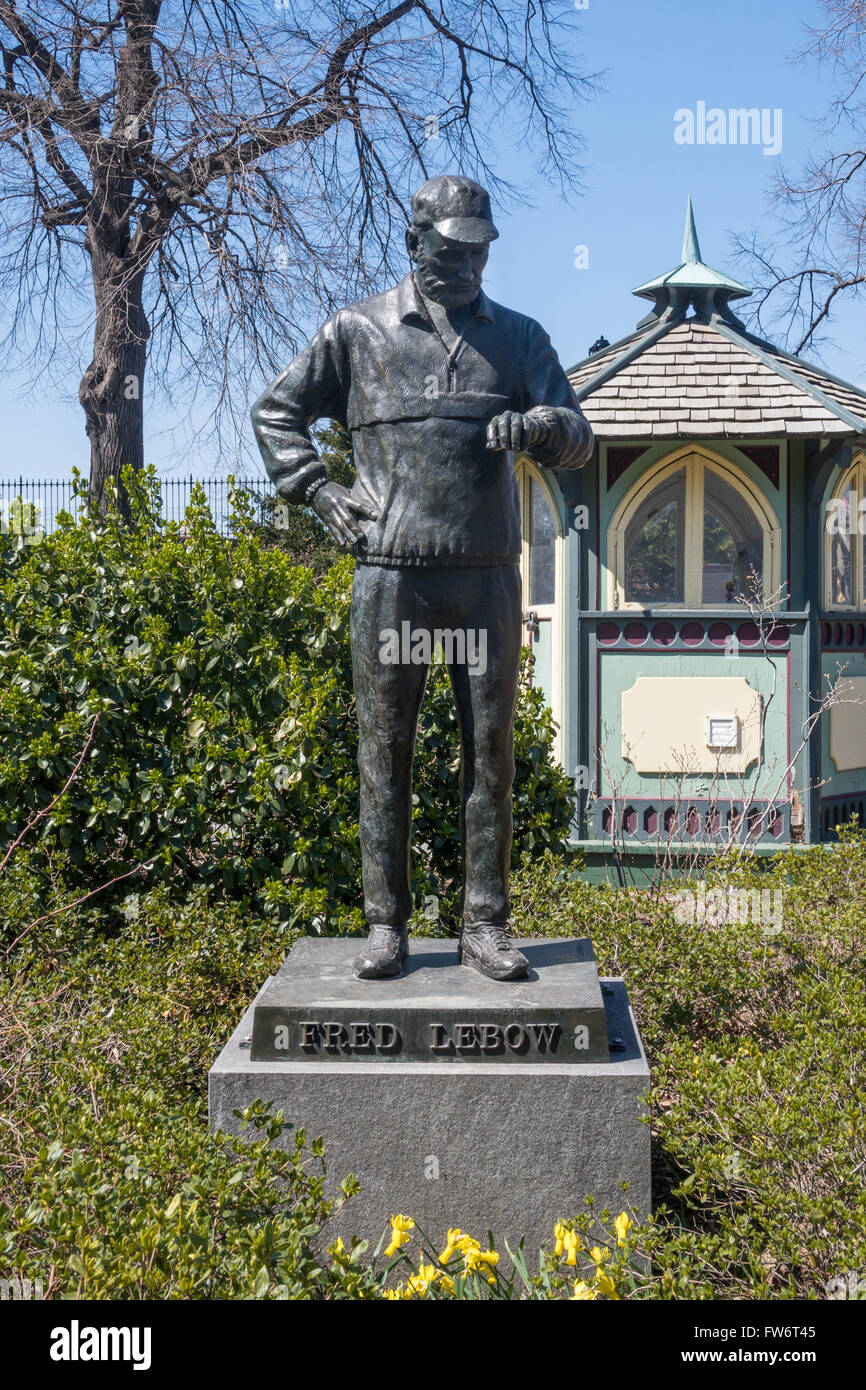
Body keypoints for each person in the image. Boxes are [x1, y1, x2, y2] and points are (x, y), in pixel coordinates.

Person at [252, 174, 592, 981]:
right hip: (390, 576)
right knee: (385, 751)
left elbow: (577, 433)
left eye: (480, 249)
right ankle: (385, 926)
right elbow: (277, 411)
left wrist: (541, 425)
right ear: (416, 243)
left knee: (492, 754)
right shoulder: (357, 331)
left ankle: (485, 924)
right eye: (452, 248)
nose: (469, 262)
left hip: (484, 579)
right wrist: (317, 488)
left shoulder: (517, 338)